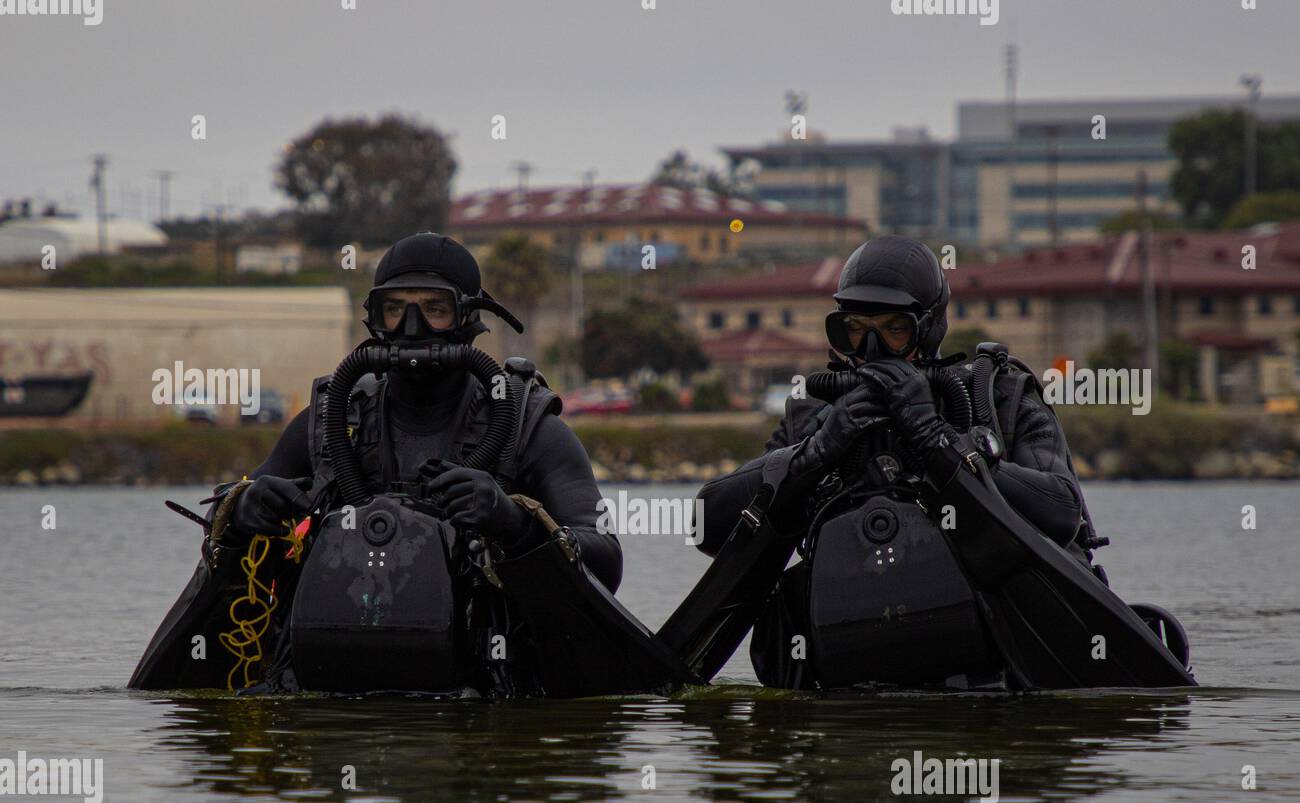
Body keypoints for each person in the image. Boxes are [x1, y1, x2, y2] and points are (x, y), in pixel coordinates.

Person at [133, 232, 631, 696]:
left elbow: (604, 559)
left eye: (435, 309)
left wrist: (515, 522)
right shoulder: (332, 420)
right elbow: (221, 520)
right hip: (327, 681)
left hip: (487, 685)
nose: (410, 328)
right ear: (375, 317)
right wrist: (245, 509)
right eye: (394, 309)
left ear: (469, 318)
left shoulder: (530, 428)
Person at [691, 235, 1106, 689]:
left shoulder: (1000, 399)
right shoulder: (813, 419)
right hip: (841, 691)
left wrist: (940, 443)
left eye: (893, 330)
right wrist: (812, 457)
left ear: (926, 330)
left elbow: (1062, 512)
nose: (871, 349)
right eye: (854, 328)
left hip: (988, 682)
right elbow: (706, 523)